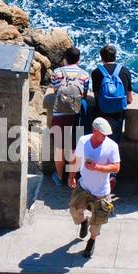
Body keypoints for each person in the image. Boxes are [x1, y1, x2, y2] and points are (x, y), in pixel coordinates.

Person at [68, 117, 121, 260]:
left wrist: (97, 167)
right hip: (84, 186)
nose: (105, 137)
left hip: (101, 192)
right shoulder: (83, 141)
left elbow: (116, 167)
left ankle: (92, 241)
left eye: (106, 134)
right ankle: (83, 221)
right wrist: (71, 176)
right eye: (102, 134)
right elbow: (76, 159)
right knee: (74, 210)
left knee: (98, 220)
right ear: (94, 131)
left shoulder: (112, 146)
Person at [49, 47, 91, 186]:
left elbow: (56, 91)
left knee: (59, 148)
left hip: (59, 114)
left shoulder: (57, 72)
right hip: (76, 115)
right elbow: (84, 95)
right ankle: (72, 178)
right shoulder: (84, 75)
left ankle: (60, 177)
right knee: (74, 148)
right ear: (79, 59)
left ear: (65, 59)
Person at [91, 44, 133, 142]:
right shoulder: (125, 71)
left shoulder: (96, 72)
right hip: (118, 113)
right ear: (115, 56)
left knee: (100, 141)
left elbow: (96, 96)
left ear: (101, 57)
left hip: (101, 112)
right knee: (114, 142)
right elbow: (130, 99)